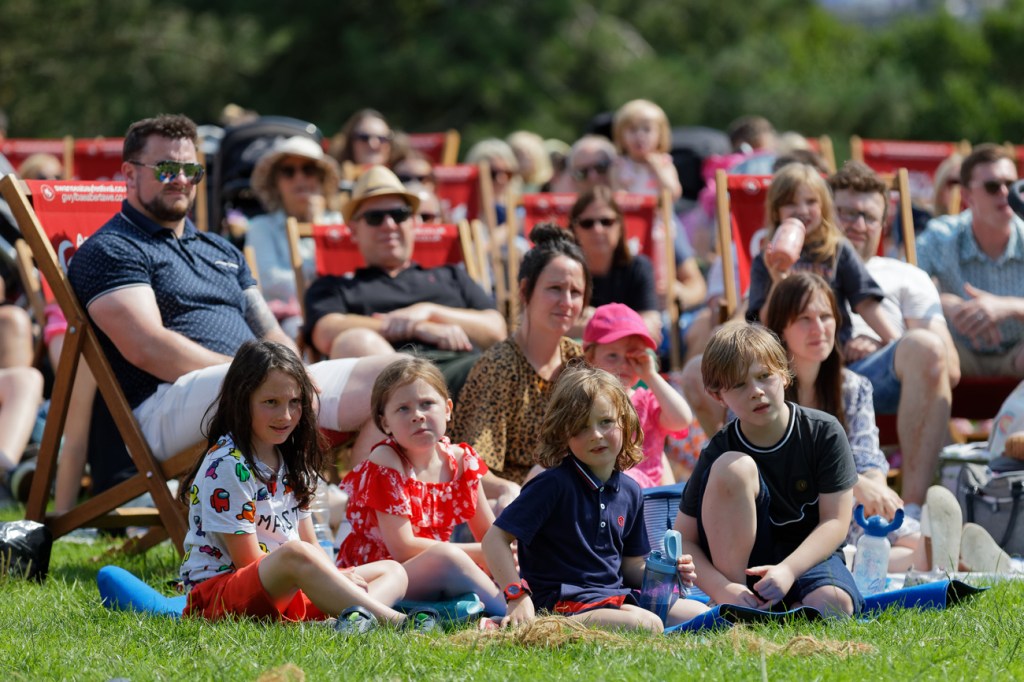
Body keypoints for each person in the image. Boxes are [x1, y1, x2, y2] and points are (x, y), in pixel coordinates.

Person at [67, 114, 397, 466]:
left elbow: (269, 330)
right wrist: (257, 374)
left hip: (262, 384)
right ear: (129, 174)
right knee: (280, 388)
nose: (180, 180)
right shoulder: (114, 248)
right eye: (166, 169)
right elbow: (148, 348)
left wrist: (291, 370)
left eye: (191, 171)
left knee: (397, 377)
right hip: (168, 401)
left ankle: (359, 511)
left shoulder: (221, 250)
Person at [177, 340, 427, 632]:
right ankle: (396, 623)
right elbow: (248, 562)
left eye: (294, 402)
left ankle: (344, 623)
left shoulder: (292, 459)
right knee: (297, 555)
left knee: (392, 570)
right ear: (242, 400)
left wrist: (333, 577)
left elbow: (310, 541)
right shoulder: (228, 464)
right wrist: (324, 581)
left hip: (287, 582)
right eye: (271, 402)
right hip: (219, 597)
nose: (285, 416)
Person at [482, 363, 709, 632]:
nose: (596, 435)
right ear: (563, 433)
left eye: (606, 422)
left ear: (625, 422)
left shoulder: (630, 490)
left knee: (702, 615)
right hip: (561, 603)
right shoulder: (551, 485)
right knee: (647, 625)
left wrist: (666, 574)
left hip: (614, 596)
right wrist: (517, 596)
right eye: (581, 427)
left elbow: (631, 565)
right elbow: (494, 539)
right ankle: (541, 627)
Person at [675, 323, 863, 616]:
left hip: (810, 561)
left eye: (764, 376)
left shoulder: (823, 432)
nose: (756, 391)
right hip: (743, 574)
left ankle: (787, 611)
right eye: (739, 384)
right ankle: (740, 610)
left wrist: (788, 570)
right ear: (718, 396)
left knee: (835, 603)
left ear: (785, 375)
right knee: (732, 468)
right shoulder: (719, 450)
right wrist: (725, 589)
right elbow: (684, 538)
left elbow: (836, 522)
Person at [763, 272, 922, 571]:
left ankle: (846, 561)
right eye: (804, 319)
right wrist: (858, 484)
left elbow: (867, 456)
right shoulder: (763, 389)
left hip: (846, 510)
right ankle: (840, 561)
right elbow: (779, 467)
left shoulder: (853, 387)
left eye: (825, 317)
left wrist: (877, 492)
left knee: (921, 546)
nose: (819, 329)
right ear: (781, 328)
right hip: (787, 514)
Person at [304, 165, 506, 400]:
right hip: (389, 389)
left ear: (414, 222)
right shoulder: (336, 286)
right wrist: (417, 328)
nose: (389, 225)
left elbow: (497, 329)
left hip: (462, 372)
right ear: (353, 229)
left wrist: (429, 312)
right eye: (374, 217)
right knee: (355, 341)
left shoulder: (450, 275)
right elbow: (326, 331)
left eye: (399, 214)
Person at [829, 161, 960, 517]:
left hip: (885, 377)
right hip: (816, 375)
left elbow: (947, 365)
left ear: (883, 223)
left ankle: (911, 510)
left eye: (867, 216)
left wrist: (886, 346)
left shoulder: (906, 276)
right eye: (845, 213)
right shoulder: (805, 267)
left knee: (926, 348)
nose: (856, 224)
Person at [336, 357, 505, 615]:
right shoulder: (386, 460)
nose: (417, 415)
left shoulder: (462, 460)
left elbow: (489, 536)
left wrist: (502, 557)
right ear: (385, 423)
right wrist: (481, 554)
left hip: (432, 571)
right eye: (403, 409)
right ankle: (509, 611)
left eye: (427, 403)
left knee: (484, 553)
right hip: (380, 576)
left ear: (448, 409)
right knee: (448, 558)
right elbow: (402, 547)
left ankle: (519, 599)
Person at [451, 225, 588, 508]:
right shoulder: (499, 366)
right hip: (508, 509)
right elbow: (473, 467)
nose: (566, 302)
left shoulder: (580, 360)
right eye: (555, 289)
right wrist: (515, 489)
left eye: (575, 292)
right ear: (525, 290)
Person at [746, 162, 900, 349]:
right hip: (784, 358)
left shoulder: (838, 249)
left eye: (811, 201)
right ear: (777, 212)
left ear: (824, 206)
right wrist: (778, 280)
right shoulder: (766, 259)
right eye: (790, 203)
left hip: (834, 354)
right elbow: (764, 325)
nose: (802, 210)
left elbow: (865, 303)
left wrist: (895, 343)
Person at [916, 143, 1024, 378]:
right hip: (958, 355)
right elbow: (902, 289)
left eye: (1011, 184)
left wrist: (1008, 307)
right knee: (922, 344)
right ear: (966, 195)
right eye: (993, 186)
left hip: (1018, 355)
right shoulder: (942, 236)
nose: (1005, 193)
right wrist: (945, 304)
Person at [583, 303, 691, 488]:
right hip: (608, 497)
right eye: (612, 356)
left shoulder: (645, 400)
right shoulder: (585, 403)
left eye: (632, 356)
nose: (623, 365)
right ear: (590, 358)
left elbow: (682, 419)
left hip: (650, 497)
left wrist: (650, 375)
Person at [246, 136, 343, 338]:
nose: (299, 178)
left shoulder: (337, 222)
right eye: (288, 172)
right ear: (276, 183)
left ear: (320, 177)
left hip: (340, 313)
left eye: (308, 170)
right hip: (286, 323)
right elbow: (270, 281)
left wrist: (317, 225)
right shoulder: (260, 227)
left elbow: (347, 276)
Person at [568, 186, 661, 341]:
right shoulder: (562, 270)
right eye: (587, 223)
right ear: (574, 229)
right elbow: (543, 325)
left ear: (619, 226)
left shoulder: (639, 267)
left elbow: (651, 329)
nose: (597, 229)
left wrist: (597, 318)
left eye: (606, 221)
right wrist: (627, 324)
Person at [610, 99, 682, 201]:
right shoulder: (619, 166)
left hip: (661, 216)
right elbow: (617, 198)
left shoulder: (664, 164)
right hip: (632, 215)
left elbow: (673, 194)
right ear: (621, 136)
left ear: (660, 135)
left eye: (647, 129)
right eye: (633, 129)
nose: (640, 136)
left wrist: (658, 170)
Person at [464, 138, 520, 226]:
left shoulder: (520, 205)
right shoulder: (464, 210)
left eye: (508, 173)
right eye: (492, 174)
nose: (501, 179)